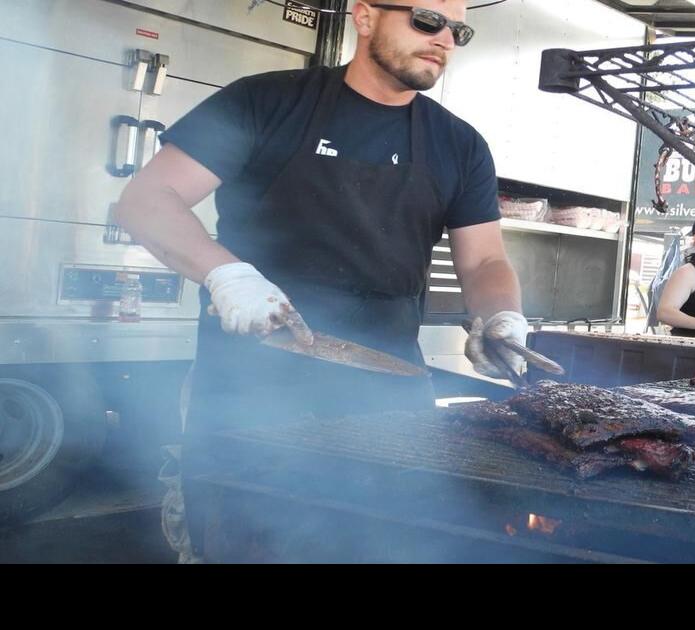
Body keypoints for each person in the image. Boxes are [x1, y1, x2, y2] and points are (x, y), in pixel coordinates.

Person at [114, 0, 525, 560]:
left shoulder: (461, 144)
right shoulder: (264, 101)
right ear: (364, 16)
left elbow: (483, 263)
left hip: (388, 393)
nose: (445, 39)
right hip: (252, 388)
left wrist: (501, 314)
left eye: (460, 30)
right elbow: (146, 200)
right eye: (427, 21)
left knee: (382, 544)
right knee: (240, 543)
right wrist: (227, 275)